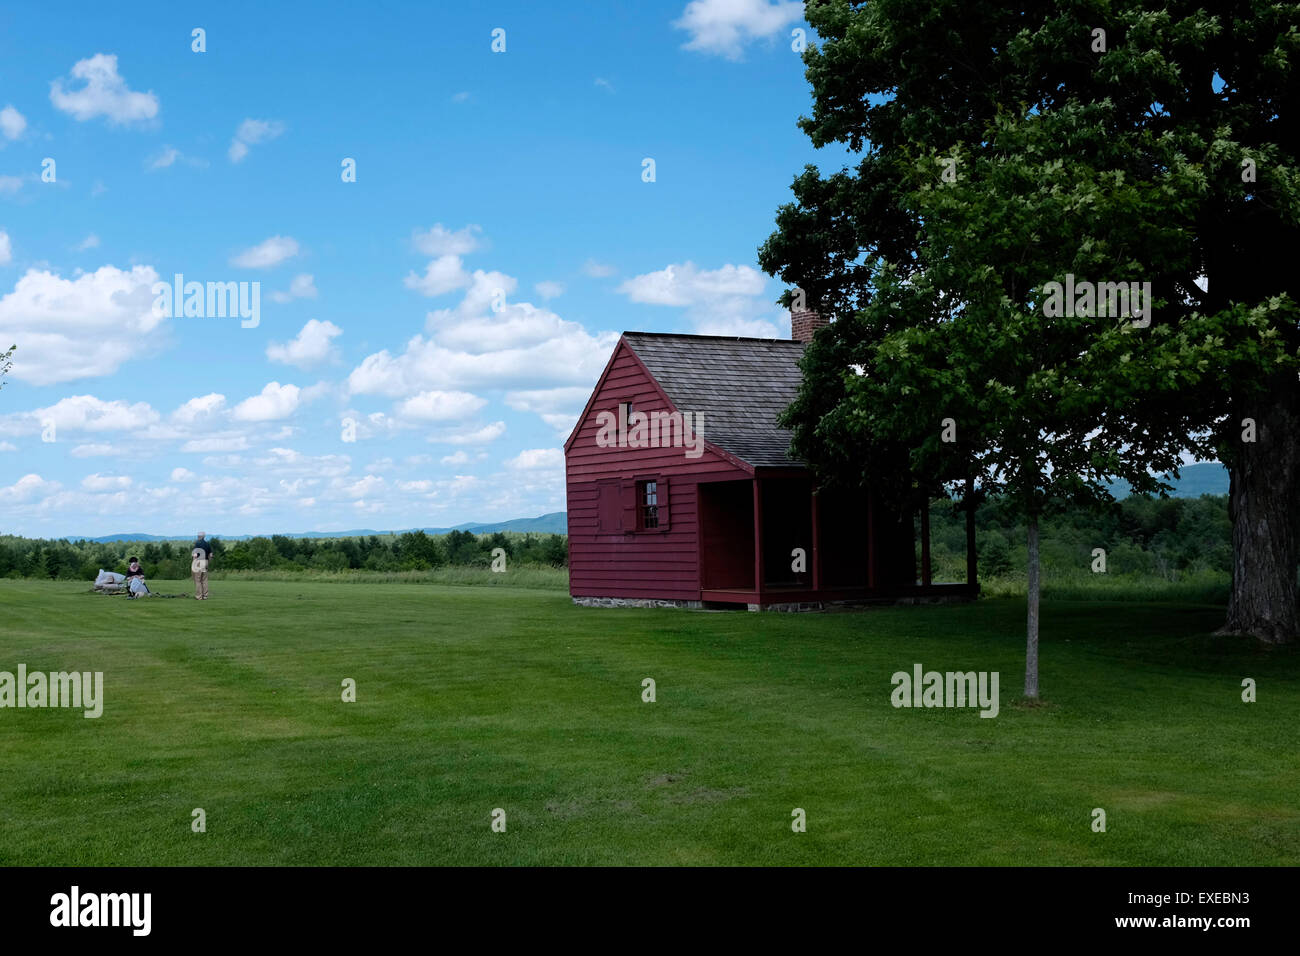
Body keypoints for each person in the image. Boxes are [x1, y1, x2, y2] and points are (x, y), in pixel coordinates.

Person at [191, 532, 213, 600]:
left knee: (197, 580)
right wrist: (208, 562)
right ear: (204, 536)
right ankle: (205, 596)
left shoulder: (197, 543)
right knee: (204, 580)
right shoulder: (207, 544)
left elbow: (195, 555)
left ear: (199, 536)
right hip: (205, 561)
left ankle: (199, 596)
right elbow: (211, 555)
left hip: (198, 562)